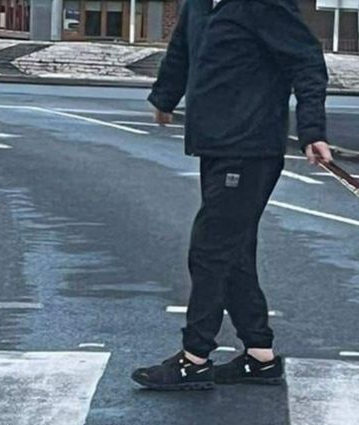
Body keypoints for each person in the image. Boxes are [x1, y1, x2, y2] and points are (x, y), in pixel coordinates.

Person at [132, 0, 332, 390]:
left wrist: (313, 130)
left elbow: (307, 61)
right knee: (234, 252)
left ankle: (195, 358)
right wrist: (164, 97)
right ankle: (260, 356)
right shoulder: (200, 4)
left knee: (209, 249)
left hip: (251, 146)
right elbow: (182, 49)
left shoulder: (263, 4)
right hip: (215, 143)